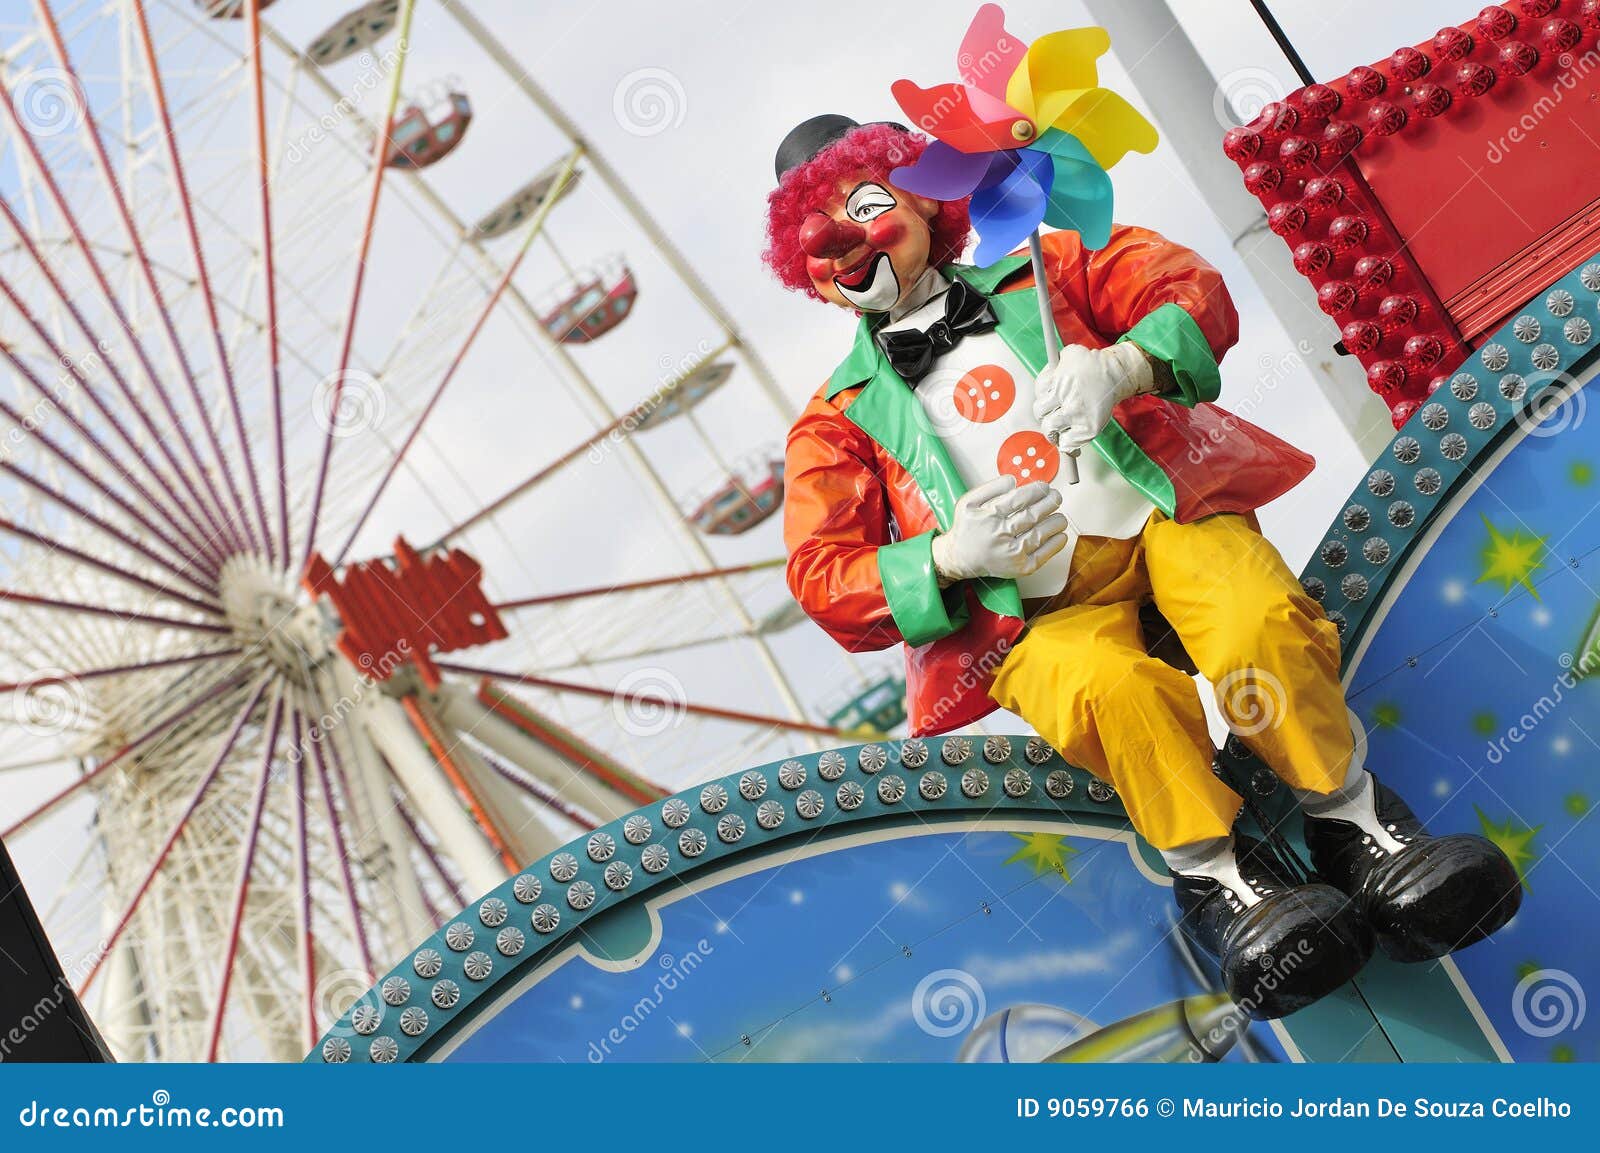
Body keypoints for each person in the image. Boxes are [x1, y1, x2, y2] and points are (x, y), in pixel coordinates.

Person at [770, 114, 1521, 1018]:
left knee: (1253, 615)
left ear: (930, 197)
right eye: (816, 233)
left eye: (863, 206)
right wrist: (946, 555)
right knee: (1106, 692)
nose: (842, 242)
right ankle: (1223, 878)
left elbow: (1192, 292)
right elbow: (822, 574)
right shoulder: (835, 418)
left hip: (1165, 516)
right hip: (1037, 612)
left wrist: (1125, 364)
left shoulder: (1053, 265)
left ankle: (1351, 817)